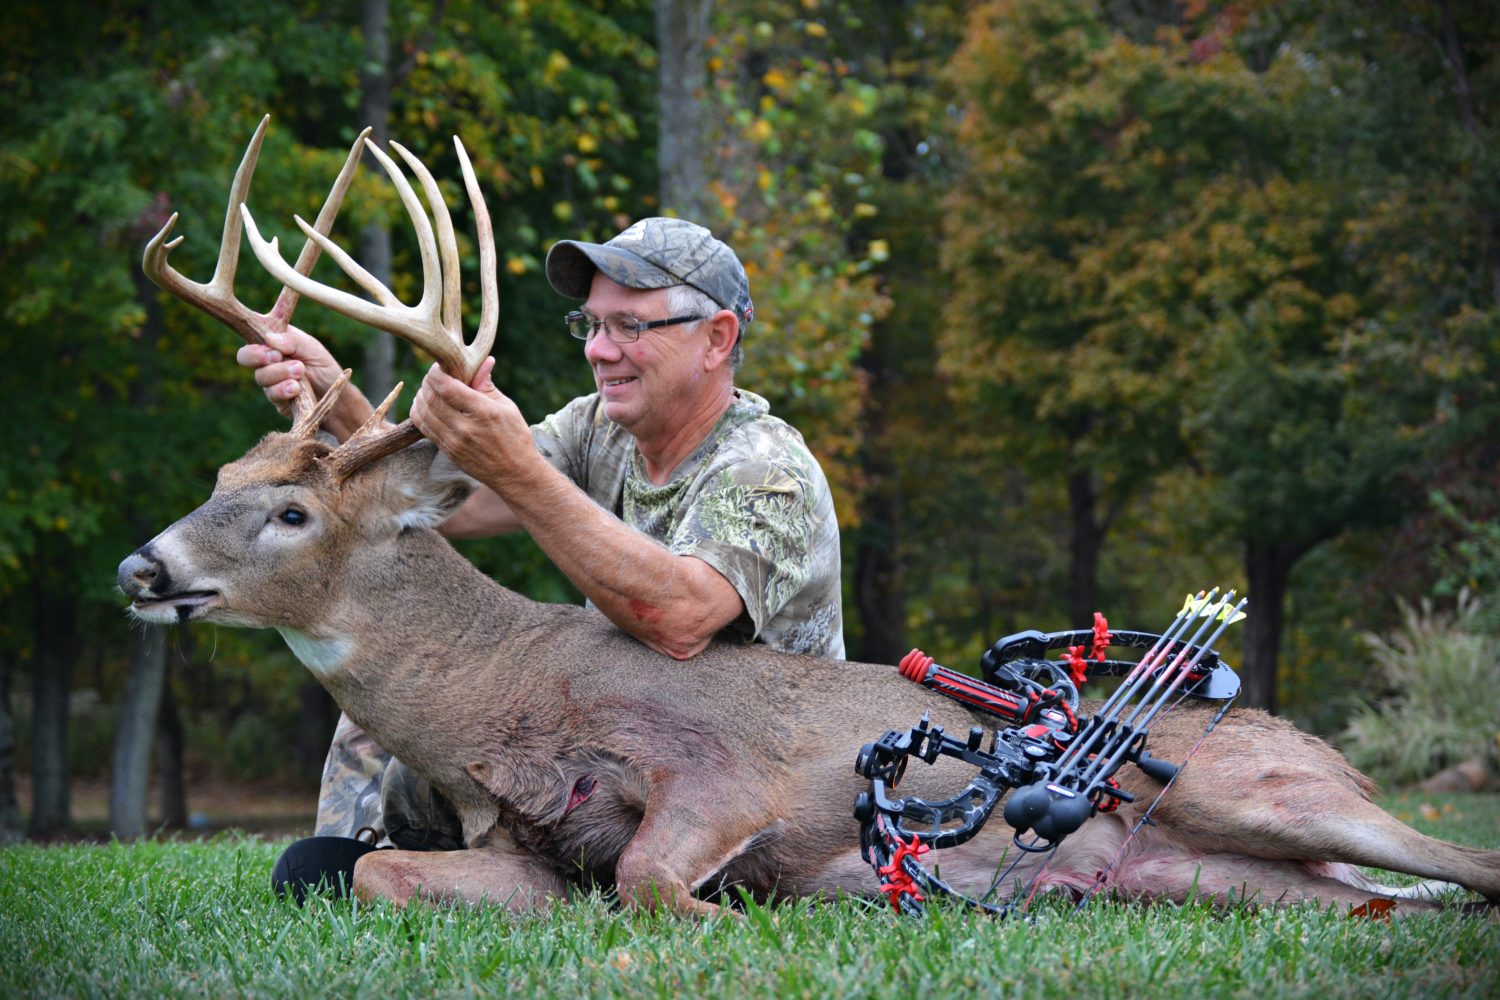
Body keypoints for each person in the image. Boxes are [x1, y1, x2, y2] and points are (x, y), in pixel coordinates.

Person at [243, 219, 845, 883]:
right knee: (401, 670)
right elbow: (459, 501)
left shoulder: (765, 468)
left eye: (630, 326)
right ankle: (354, 860)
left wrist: (518, 468)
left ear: (717, 338)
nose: (600, 350)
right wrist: (337, 394)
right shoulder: (596, 430)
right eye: (591, 325)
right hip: (617, 747)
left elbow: (681, 619)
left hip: (745, 781)